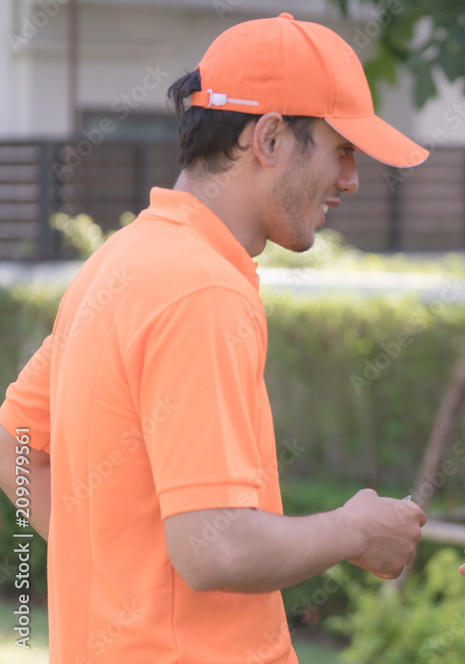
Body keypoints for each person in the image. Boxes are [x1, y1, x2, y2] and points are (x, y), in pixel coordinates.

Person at [0, 13, 427, 663]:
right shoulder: (203, 291)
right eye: (342, 149)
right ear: (272, 138)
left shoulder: (119, 263)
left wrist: (121, 572)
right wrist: (355, 530)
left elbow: (13, 448)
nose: (352, 180)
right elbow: (213, 547)